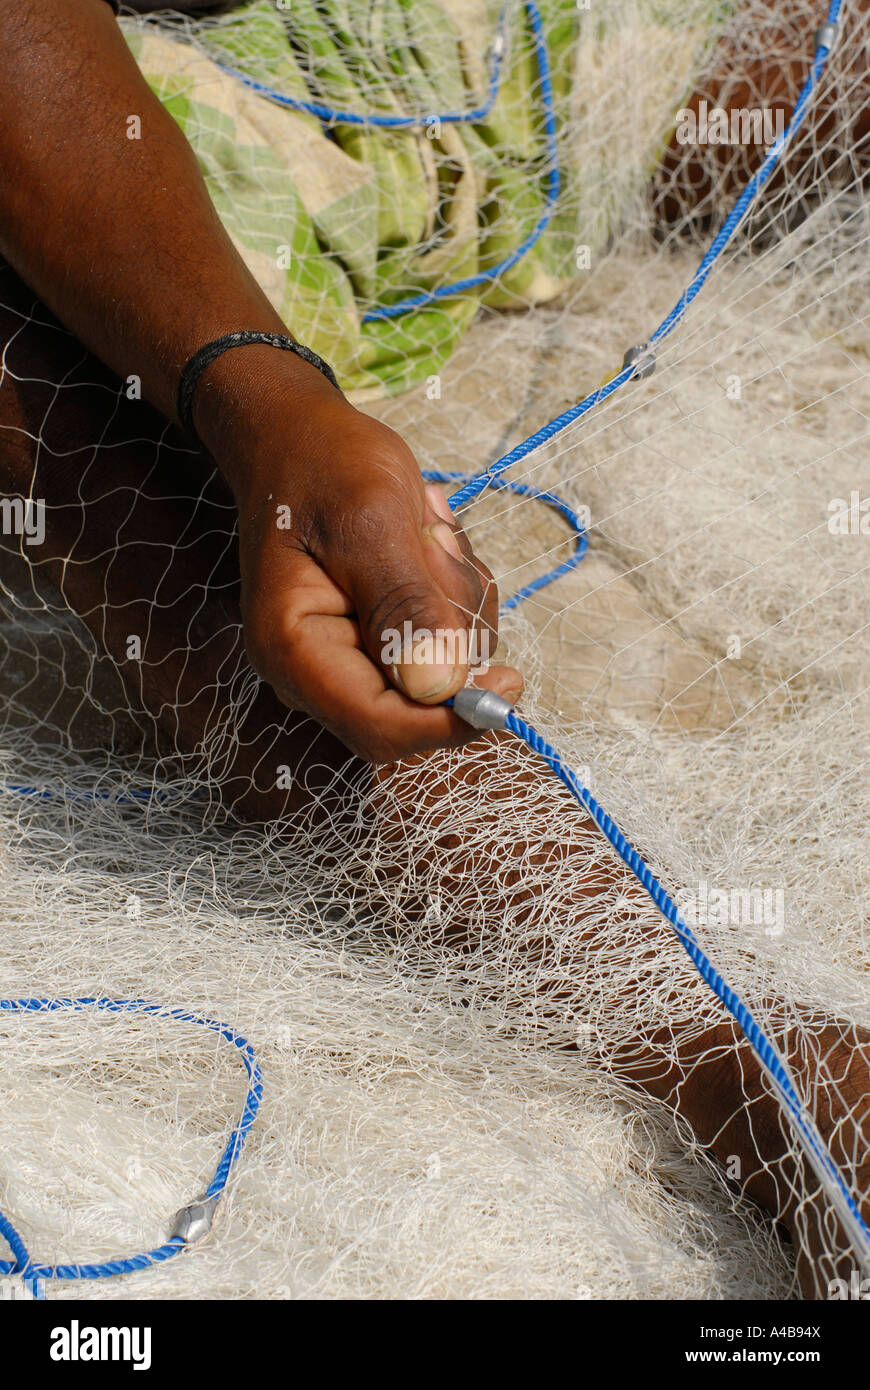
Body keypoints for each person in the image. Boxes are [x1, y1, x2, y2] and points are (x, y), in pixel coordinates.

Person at [1, 0, 867, 1298]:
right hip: (137, 183)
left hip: (403, 71)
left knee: (763, 57)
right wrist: (263, 405)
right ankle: (736, 1056)